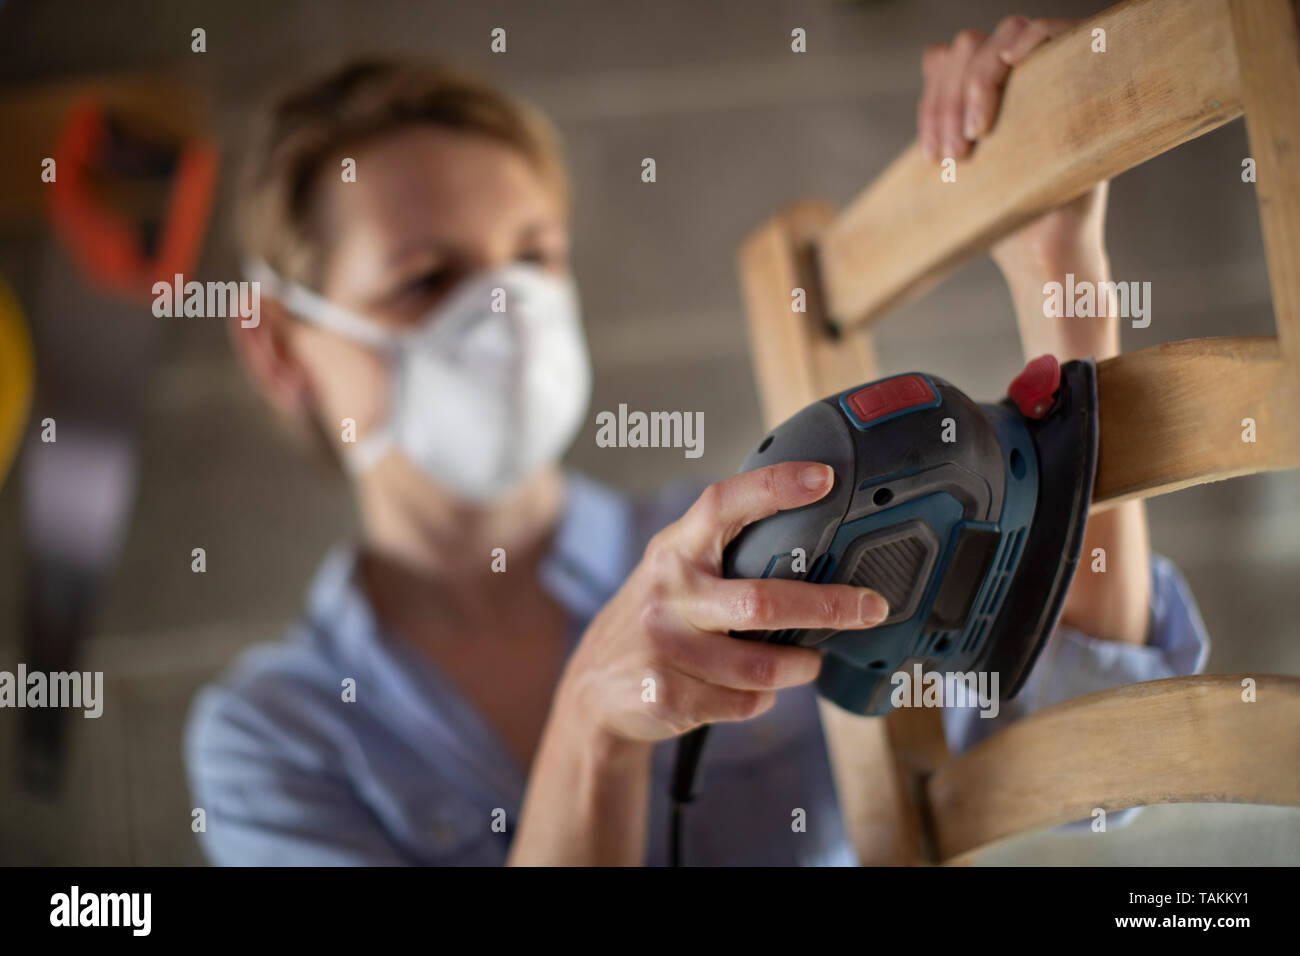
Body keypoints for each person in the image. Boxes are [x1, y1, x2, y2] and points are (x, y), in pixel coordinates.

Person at [185, 16, 1209, 866]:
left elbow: (1080, 774)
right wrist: (593, 727)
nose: (503, 319)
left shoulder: (758, 541)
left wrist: (1056, 265)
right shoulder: (275, 738)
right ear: (278, 341)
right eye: (427, 280)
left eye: (532, 260)